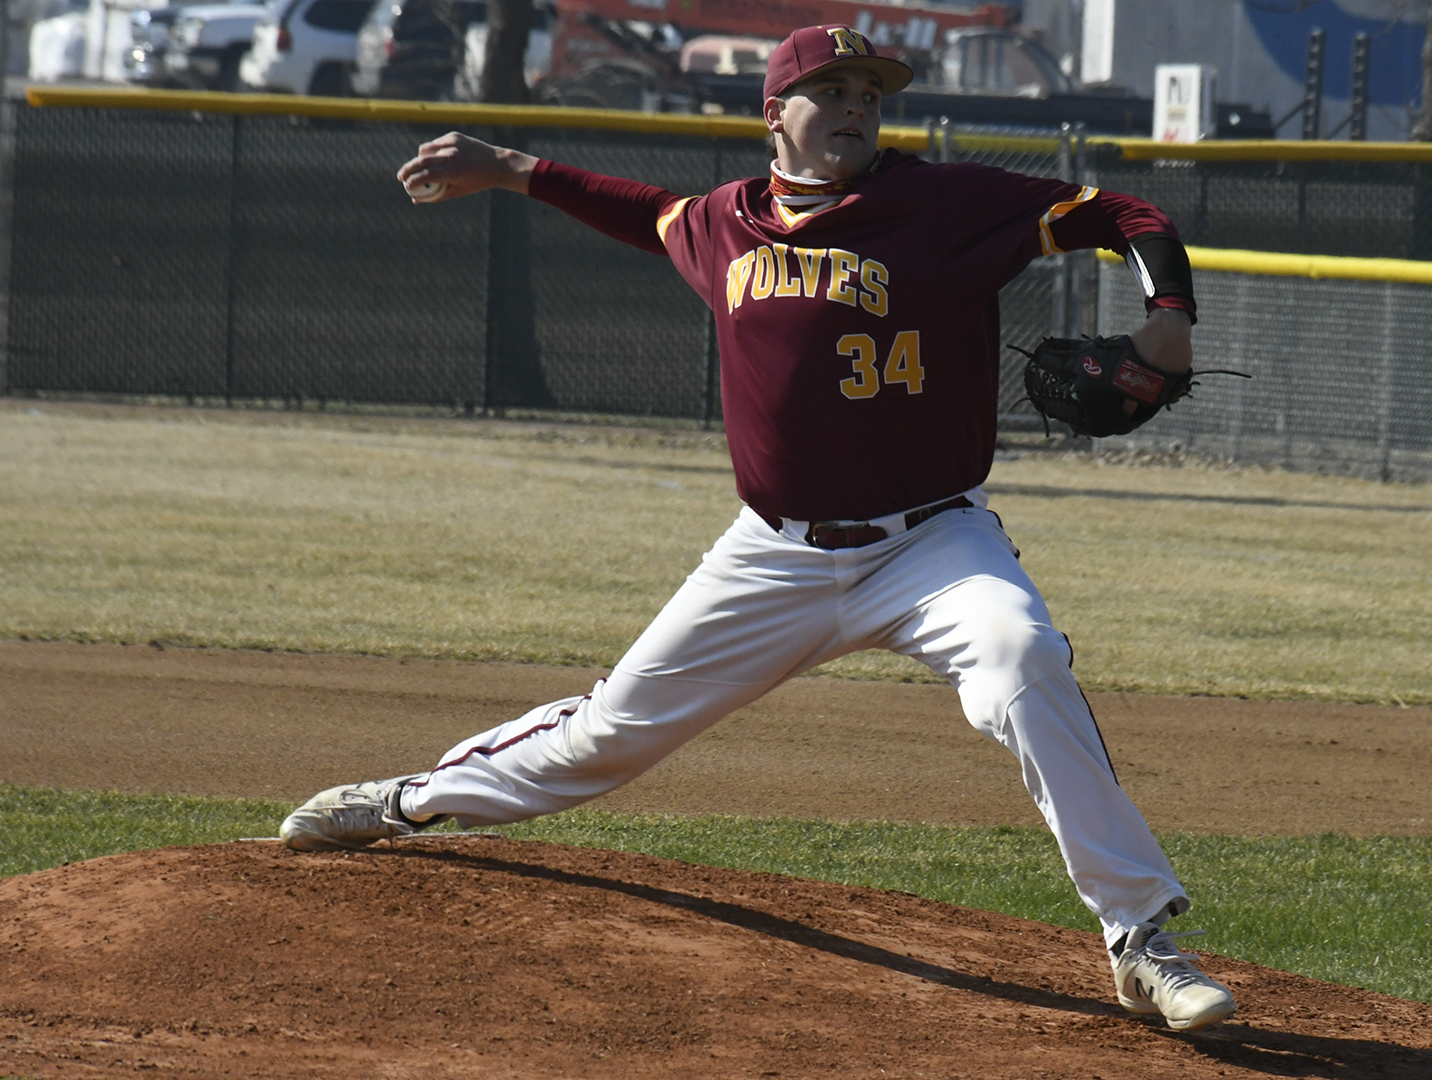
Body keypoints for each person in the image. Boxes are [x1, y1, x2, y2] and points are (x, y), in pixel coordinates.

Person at [280, 23, 1235, 1031]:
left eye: (871, 93)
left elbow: (1124, 212)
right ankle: (409, 800)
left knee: (1023, 658)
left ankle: (1140, 938)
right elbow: (641, 210)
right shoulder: (721, 224)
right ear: (774, 113)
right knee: (606, 735)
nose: (858, 106)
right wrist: (512, 169)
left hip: (932, 545)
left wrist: (1169, 312)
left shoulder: (945, 204)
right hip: (775, 553)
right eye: (833, 89)